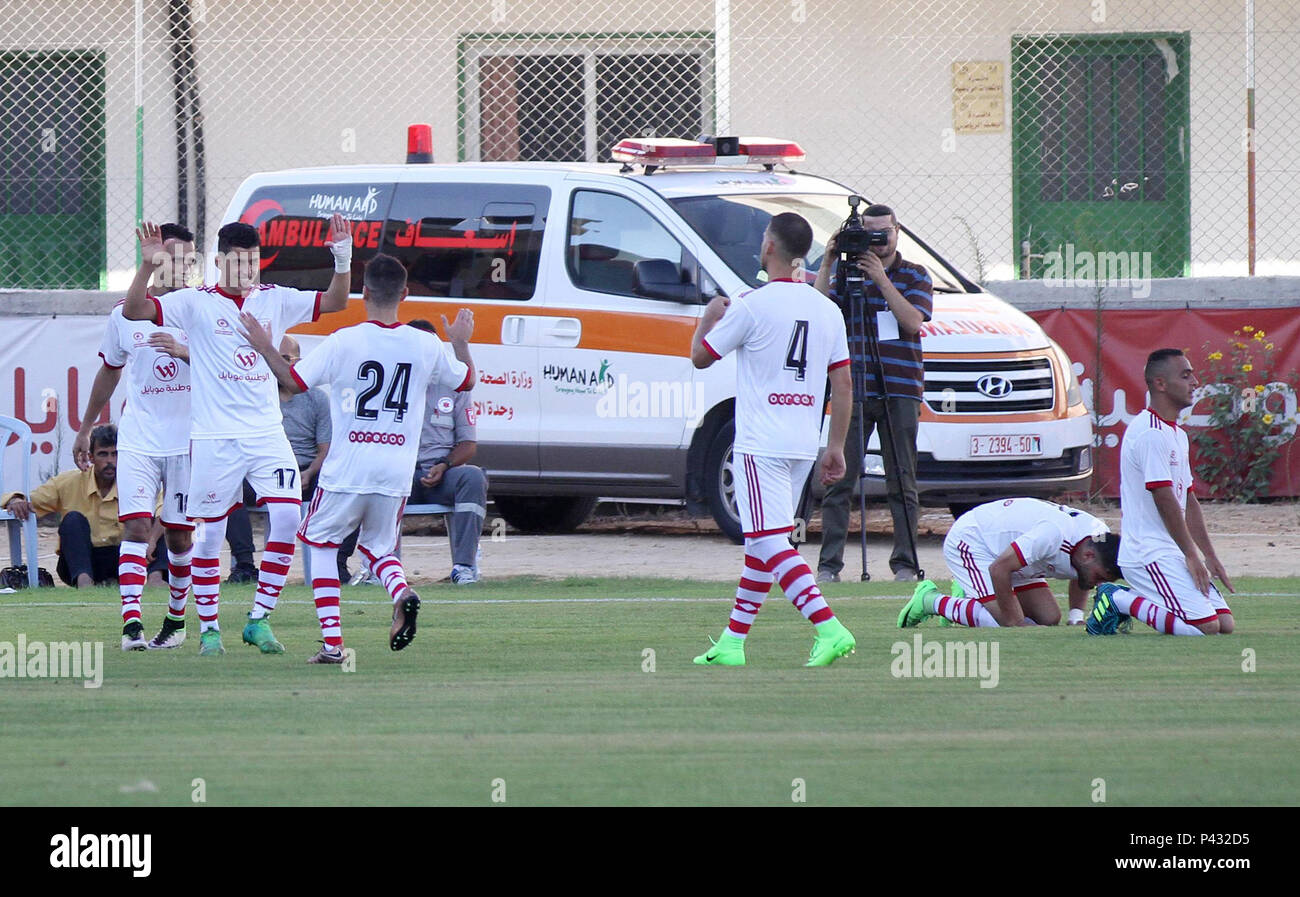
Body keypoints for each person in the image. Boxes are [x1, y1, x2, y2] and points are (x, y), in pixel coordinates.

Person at [121, 214, 352, 656]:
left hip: (266, 434)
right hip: (213, 439)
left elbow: (336, 302)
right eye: (240, 263)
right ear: (220, 262)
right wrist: (149, 267)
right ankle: (208, 630)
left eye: (254, 261)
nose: (248, 271)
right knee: (208, 536)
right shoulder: (196, 302)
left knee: (287, 518)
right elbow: (135, 311)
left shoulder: (275, 299)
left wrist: (341, 258)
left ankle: (258, 619)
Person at [239, 253, 475, 661]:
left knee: (321, 543)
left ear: (363, 292)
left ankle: (333, 644)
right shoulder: (425, 344)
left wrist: (263, 344)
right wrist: (459, 341)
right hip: (396, 470)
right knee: (378, 550)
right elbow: (468, 379)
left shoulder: (345, 340)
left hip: (348, 468)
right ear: (405, 293)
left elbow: (293, 382)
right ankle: (401, 592)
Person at [689, 212, 856, 667]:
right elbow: (842, 385)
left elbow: (701, 358)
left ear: (768, 248)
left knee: (765, 541)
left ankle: (828, 627)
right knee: (766, 544)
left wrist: (706, 319)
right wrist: (836, 445)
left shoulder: (750, 304)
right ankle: (732, 642)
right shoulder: (827, 309)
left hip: (760, 443)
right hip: (802, 442)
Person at [813, 203, 932, 583]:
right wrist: (829, 263)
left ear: (899, 231)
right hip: (854, 389)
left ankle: (905, 564)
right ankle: (829, 565)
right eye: (871, 234)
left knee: (902, 479)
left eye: (885, 234)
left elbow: (912, 322)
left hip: (900, 388)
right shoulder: (848, 274)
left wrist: (881, 279)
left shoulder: (914, 274)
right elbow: (818, 314)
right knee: (839, 478)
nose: (878, 242)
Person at [1088, 349, 1236, 636]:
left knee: (1225, 625)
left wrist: (1210, 555)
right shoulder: (1150, 433)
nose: (1194, 381)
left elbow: (1188, 500)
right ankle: (1117, 598)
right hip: (1148, 553)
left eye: (1192, 373)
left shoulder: (1176, 434)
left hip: (1172, 550)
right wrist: (1191, 555)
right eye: (1185, 375)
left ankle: (1138, 599)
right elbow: (1164, 498)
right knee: (1204, 628)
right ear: (1160, 384)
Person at [896, 497, 1122, 629]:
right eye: (1100, 577)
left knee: (1048, 618)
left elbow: (1081, 575)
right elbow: (999, 569)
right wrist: (1010, 617)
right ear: (1088, 556)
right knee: (1011, 623)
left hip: (1014, 556)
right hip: (975, 542)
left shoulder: (1098, 539)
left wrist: (1075, 617)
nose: (1097, 584)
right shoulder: (1053, 534)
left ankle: (970, 595)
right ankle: (930, 600)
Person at [224, 334, 344, 581]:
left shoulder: (317, 398)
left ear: (298, 361)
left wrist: (308, 473)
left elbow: (326, 448)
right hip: (262, 469)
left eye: (284, 357)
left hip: (308, 470)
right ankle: (245, 565)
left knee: (346, 484)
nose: (275, 362)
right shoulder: (253, 396)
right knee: (228, 491)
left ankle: (339, 565)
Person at [3, 425, 167, 591]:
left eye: (115, 454)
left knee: (163, 521)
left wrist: (152, 540)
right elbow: (30, 500)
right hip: (82, 562)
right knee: (73, 519)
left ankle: (155, 579)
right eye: (103, 454)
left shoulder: (138, 482)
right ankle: (85, 584)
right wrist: (15, 500)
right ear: (91, 457)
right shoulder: (69, 482)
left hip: (125, 558)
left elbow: (163, 510)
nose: (110, 461)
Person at [407, 317, 486, 584]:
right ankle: (381, 569)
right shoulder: (393, 381)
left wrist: (444, 464)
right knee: (375, 478)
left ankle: (464, 566)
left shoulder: (453, 384)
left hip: (439, 472)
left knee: (473, 477)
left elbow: (468, 444)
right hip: (399, 473)